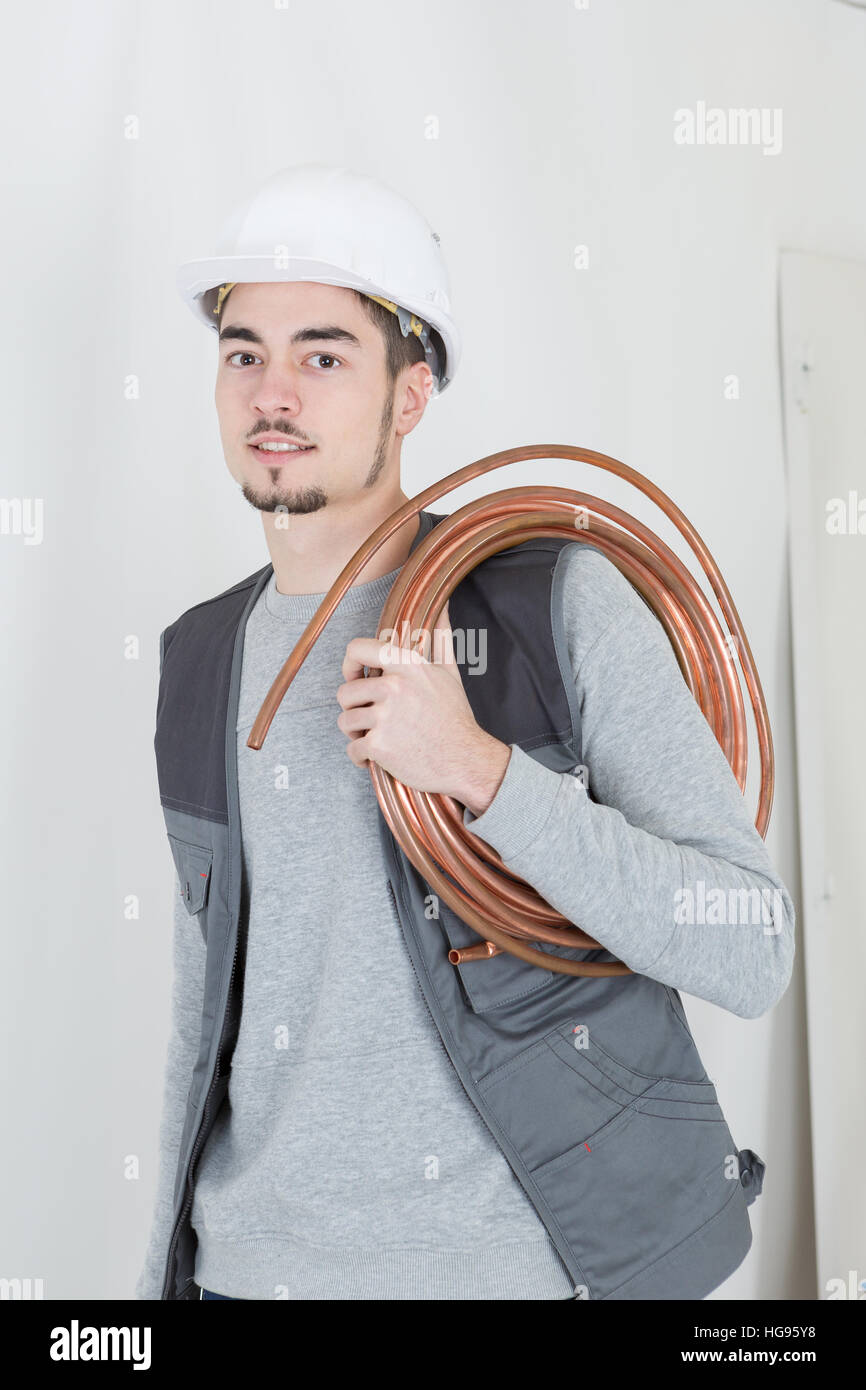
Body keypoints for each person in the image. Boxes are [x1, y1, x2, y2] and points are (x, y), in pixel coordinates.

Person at [135, 164, 794, 1302]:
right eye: (243, 351)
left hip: (509, 1278)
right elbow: (202, 1025)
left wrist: (481, 774)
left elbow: (749, 945)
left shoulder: (548, 604)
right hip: (253, 1277)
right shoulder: (196, 660)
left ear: (410, 392)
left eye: (322, 353)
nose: (271, 392)